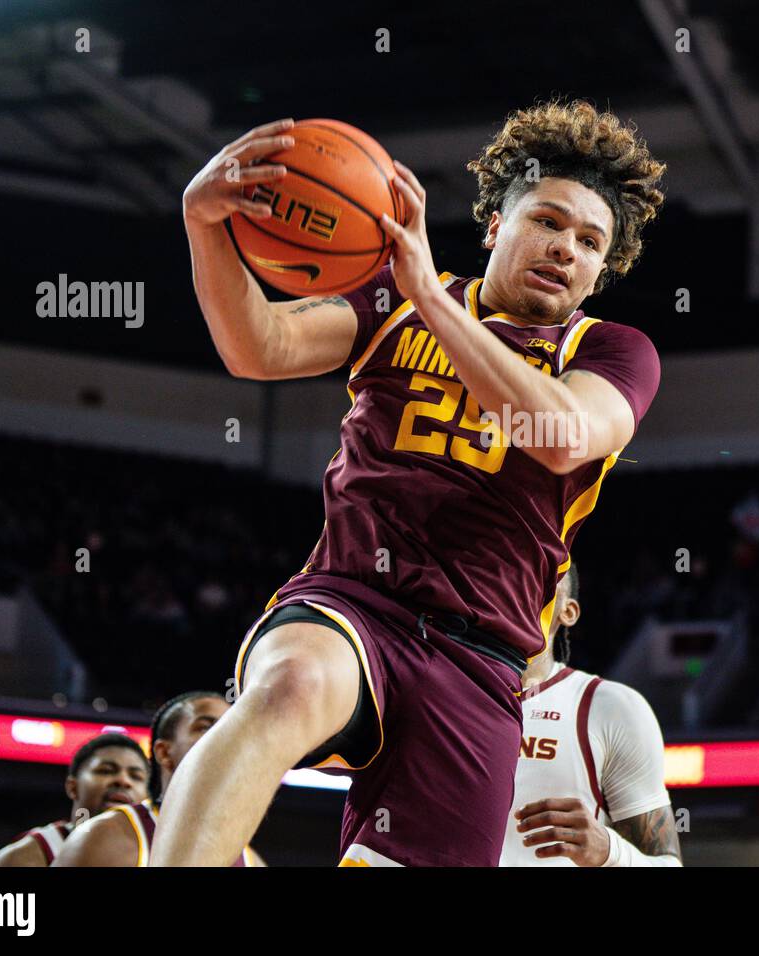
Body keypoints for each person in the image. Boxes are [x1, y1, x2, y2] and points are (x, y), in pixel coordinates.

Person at [155, 99, 666, 867]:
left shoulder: (613, 352)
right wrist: (203, 226)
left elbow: (559, 436)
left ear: (601, 271)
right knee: (289, 685)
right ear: (496, 224)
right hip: (356, 600)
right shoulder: (391, 303)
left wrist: (432, 295)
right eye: (548, 222)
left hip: (484, 658)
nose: (566, 248)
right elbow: (256, 346)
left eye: (590, 241)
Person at [501, 563, 681, 866]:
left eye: (541, 573)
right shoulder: (433, 697)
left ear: (568, 611)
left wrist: (610, 852)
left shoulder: (609, 707)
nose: (522, 583)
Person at [53, 692, 264, 867]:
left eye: (231, 728)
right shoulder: (104, 838)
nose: (225, 737)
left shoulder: (252, 861)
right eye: (206, 727)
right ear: (164, 753)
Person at [0, 732, 148, 867]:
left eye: (136, 776)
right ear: (72, 787)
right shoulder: (30, 855)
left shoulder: (155, 852)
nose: (123, 780)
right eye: (106, 771)